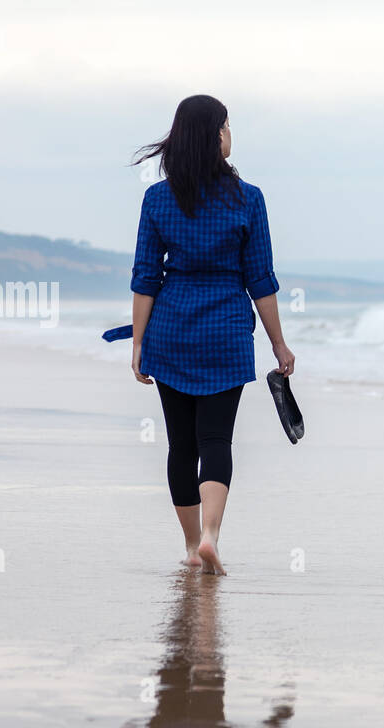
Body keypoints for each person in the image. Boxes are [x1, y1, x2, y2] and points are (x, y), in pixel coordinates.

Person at [128, 94, 294, 575]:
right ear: (214, 134)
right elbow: (260, 279)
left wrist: (139, 344)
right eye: (226, 126)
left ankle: (188, 547)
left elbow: (145, 277)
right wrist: (278, 343)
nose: (229, 135)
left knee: (181, 445)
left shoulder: (158, 198)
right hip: (225, 332)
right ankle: (211, 537)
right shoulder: (249, 198)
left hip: (171, 331)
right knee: (217, 439)